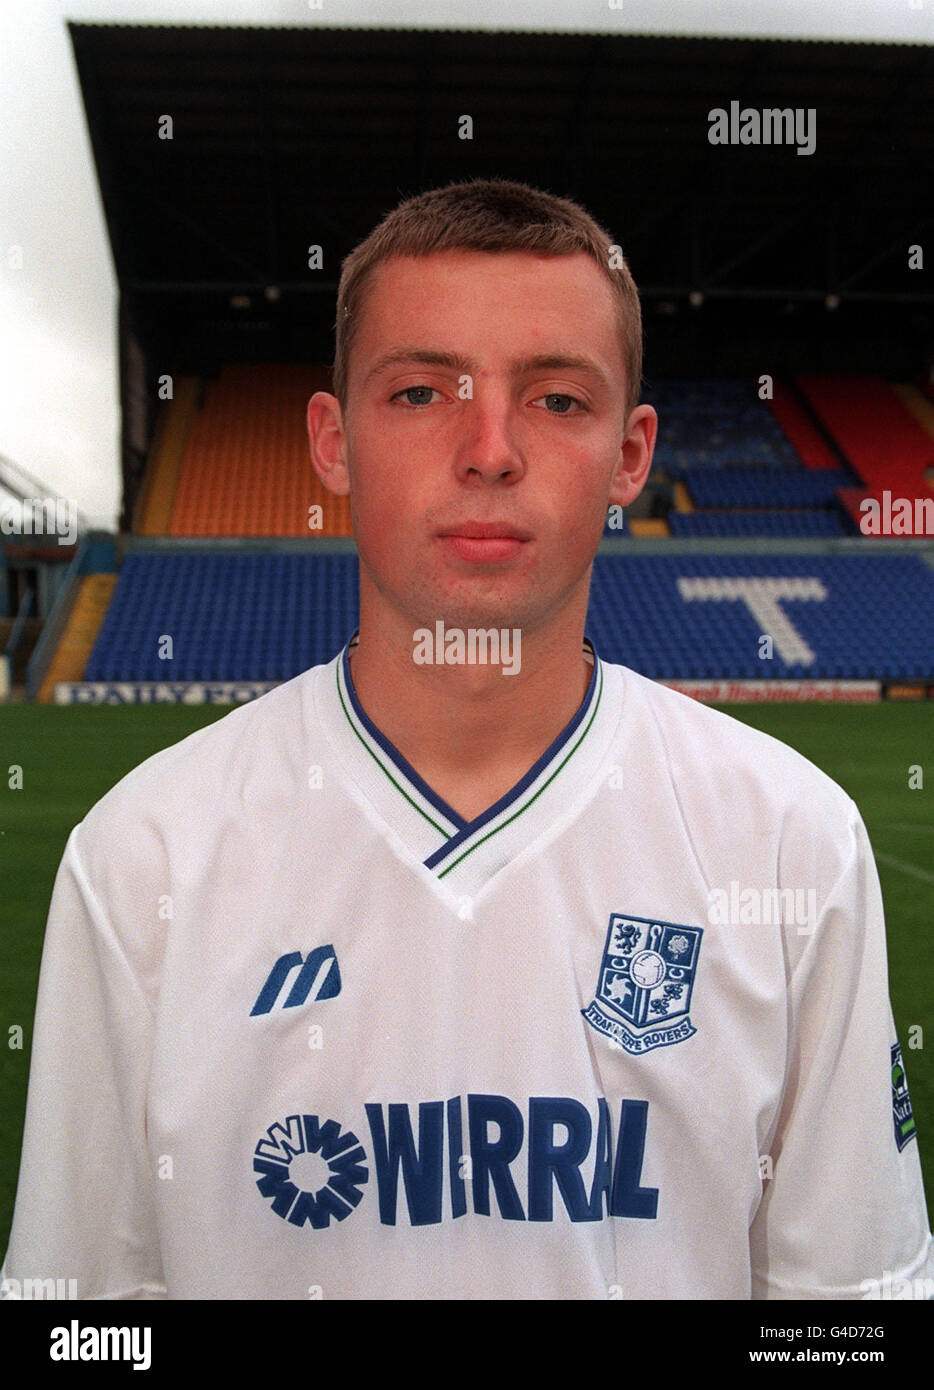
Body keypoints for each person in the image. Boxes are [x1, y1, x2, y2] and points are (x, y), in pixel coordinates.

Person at [1, 177, 930, 1300]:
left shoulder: (793, 848)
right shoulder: (141, 859)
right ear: (332, 442)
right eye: (420, 391)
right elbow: (91, 1317)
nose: (489, 450)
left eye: (554, 399)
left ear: (631, 456)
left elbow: (844, 1310)